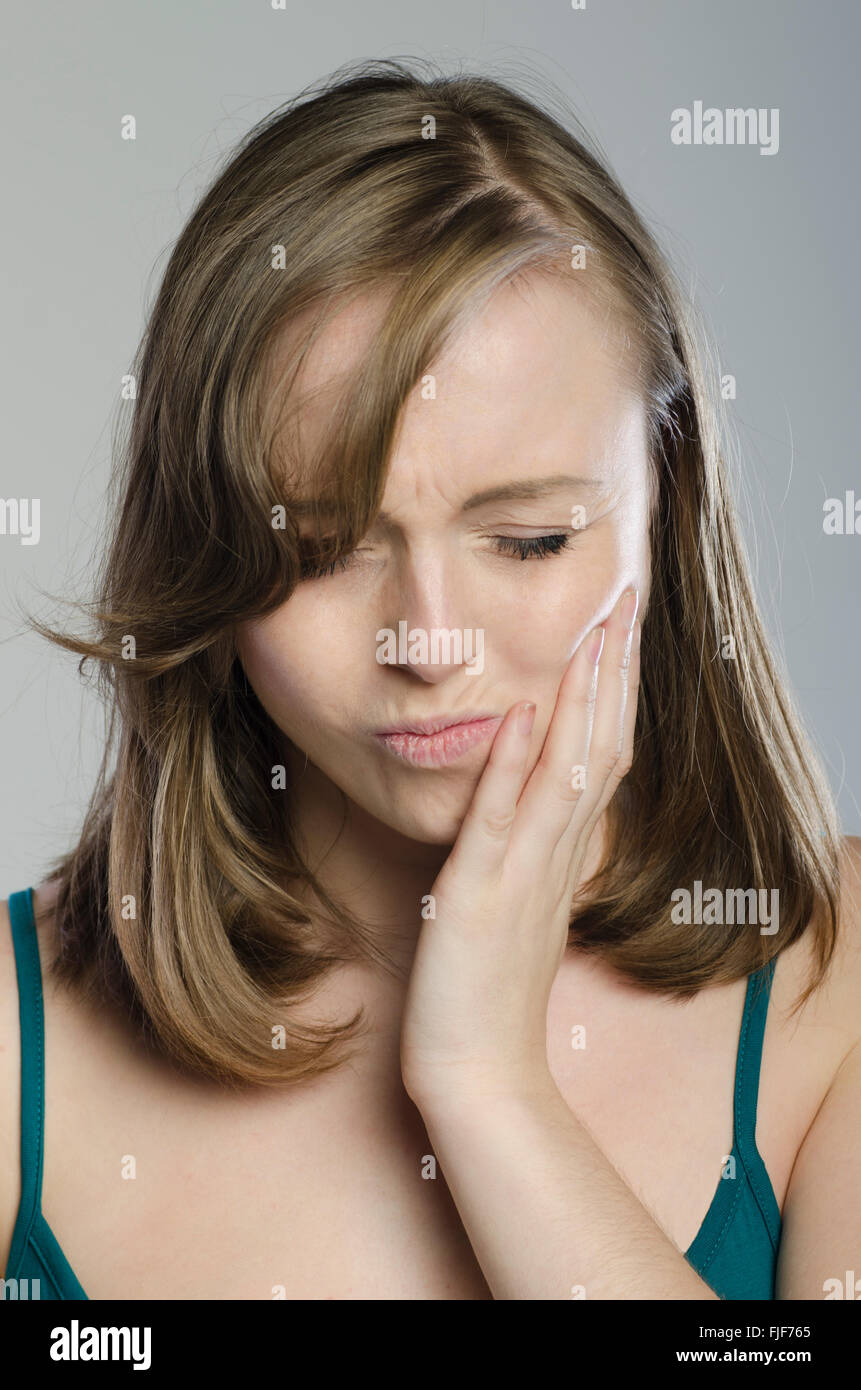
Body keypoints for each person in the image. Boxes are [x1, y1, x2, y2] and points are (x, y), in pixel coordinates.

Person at [2, 58, 859, 1302]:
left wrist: (488, 1086)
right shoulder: (22, 1039)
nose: (428, 641)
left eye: (527, 541)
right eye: (320, 551)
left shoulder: (833, 978)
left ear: (665, 507)